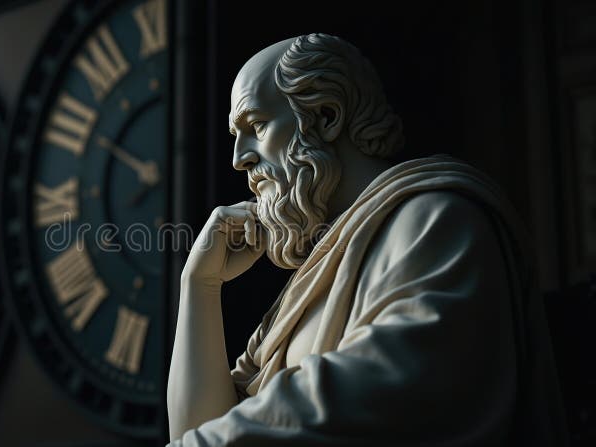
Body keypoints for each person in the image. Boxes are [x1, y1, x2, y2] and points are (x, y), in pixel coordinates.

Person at [167, 33, 568, 446]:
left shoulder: (438, 220)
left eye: (256, 126)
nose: (240, 158)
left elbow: (388, 392)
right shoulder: (308, 282)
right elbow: (195, 432)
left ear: (326, 116)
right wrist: (200, 286)